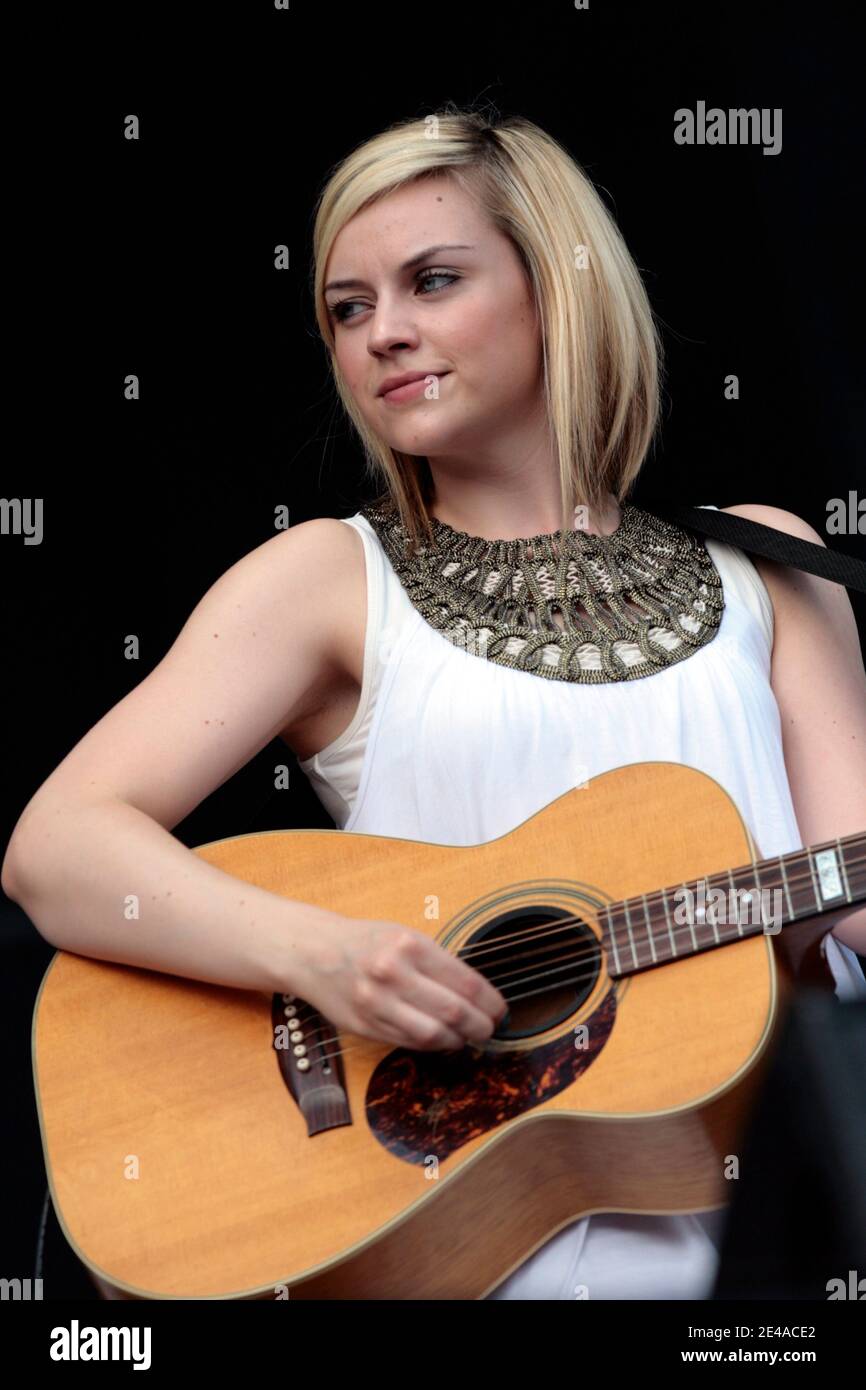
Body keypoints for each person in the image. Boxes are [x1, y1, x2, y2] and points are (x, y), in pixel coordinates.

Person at [4, 105, 866, 1301]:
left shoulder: (771, 566)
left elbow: (849, 895)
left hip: (762, 1238)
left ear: (557, 289)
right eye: (348, 308)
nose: (383, 334)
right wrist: (326, 956)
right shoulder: (324, 578)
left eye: (431, 281)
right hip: (455, 1233)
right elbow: (57, 847)